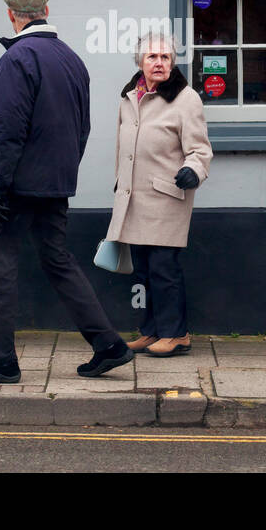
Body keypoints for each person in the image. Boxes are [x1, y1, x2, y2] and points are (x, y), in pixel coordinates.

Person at [0, 0, 134, 384]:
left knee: (0, 263)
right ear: (46, 10)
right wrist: (63, 170)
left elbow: (6, 127)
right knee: (58, 260)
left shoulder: (16, 58)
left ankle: (0, 360)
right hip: (55, 181)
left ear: (11, 16)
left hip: (18, 183)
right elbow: (83, 127)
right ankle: (108, 344)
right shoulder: (72, 59)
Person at [106, 31, 212, 358]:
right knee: (143, 270)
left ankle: (176, 333)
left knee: (164, 269)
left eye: (165, 57)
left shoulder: (186, 98)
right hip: (132, 198)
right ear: (140, 61)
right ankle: (150, 330)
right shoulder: (130, 97)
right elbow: (123, 149)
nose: (159, 63)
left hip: (166, 197)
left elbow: (200, 149)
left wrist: (193, 170)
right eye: (152, 57)